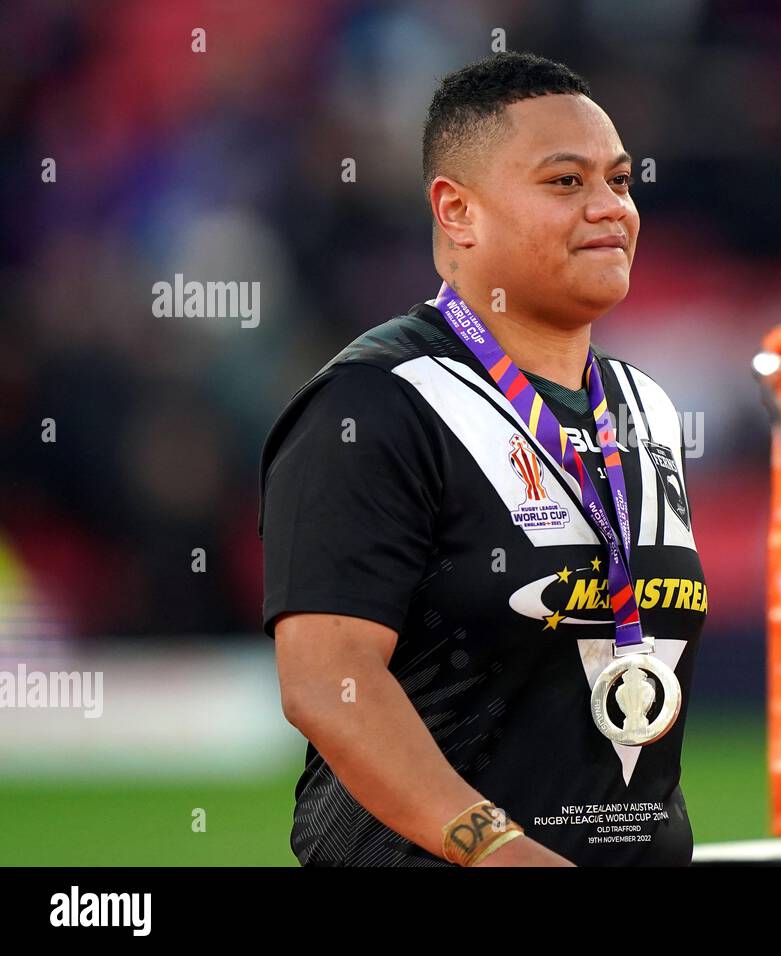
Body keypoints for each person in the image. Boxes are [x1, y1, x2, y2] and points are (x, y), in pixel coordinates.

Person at [258, 51, 708, 867]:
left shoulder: (648, 409)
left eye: (620, 179)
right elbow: (329, 680)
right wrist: (494, 848)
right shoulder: (372, 404)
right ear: (458, 212)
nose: (611, 207)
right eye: (566, 183)